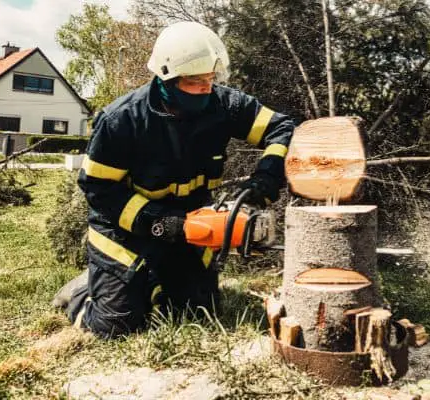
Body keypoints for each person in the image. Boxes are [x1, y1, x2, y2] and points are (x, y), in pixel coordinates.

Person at [54, 21, 295, 338]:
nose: (206, 88)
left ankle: (152, 284)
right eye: (196, 82)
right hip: (124, 231)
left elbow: (282, 128)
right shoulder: (122, 120)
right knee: (116, 327)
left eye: (210, 79)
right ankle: (84, 293)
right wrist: (160, 222)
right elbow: (99, 190)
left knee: (199, 314)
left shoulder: (223, 105)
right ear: (167, 78)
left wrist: (267, 177)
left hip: (190, 225)